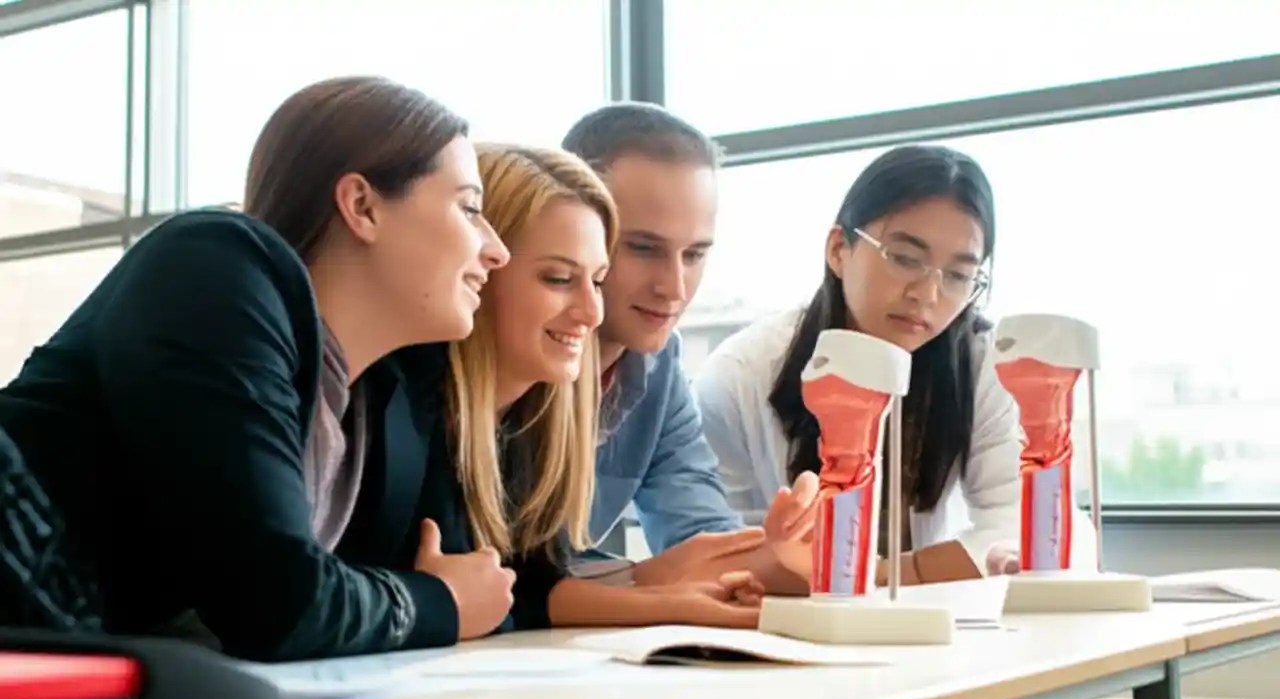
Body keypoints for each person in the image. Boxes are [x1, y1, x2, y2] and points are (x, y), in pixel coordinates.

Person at [0, 76, 514, 661]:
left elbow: (474, 580)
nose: (496, 249)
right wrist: (436, 602)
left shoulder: (381, 397)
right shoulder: (214, 267)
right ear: (362, 206)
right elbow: (278, 602)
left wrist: (440, 593)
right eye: (469, 208)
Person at [378, 143, 761, 631]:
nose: (591, 313)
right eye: (558, 279)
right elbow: (482, 600)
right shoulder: (408, 402)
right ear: (482, 268)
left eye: (597, 282)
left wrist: (681, 601)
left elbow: (531, 586)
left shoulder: (533, 409)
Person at [695, 144, 1097, 578]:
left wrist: (884, 579)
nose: (927, 295)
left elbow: (1039, 528)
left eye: (959, 275)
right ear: (838, 250)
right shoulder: (741, 374)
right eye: (905, 259)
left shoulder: (985, 363)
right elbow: (721, 556)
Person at [560, 103, 814, 589]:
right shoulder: (506, 359)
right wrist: (646, 579)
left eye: (695, 254)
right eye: (643, 248)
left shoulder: (659, 367)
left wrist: (779, 552)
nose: (674, 287)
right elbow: (511, 573)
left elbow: (696, 532)